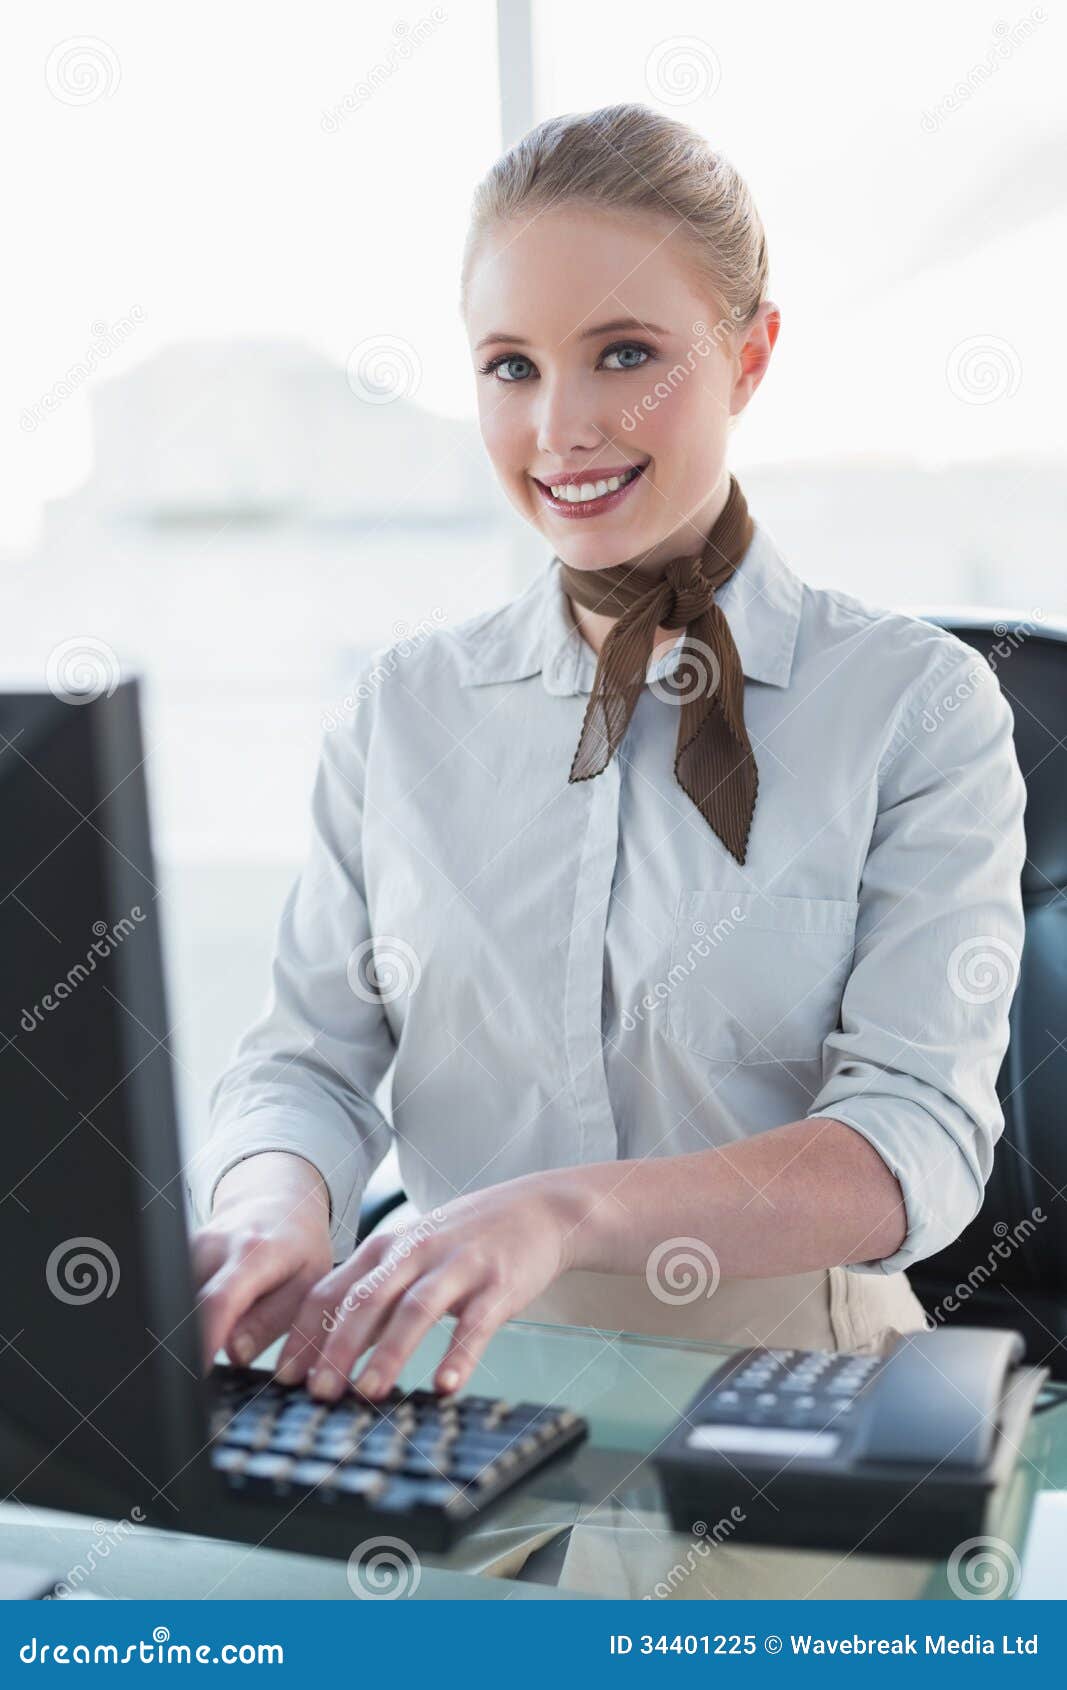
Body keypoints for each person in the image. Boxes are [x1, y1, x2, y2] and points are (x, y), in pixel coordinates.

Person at [186, 104, 1028, 1595]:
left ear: (751, 355)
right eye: (511, 366)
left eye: (625, 354)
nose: (559, 427)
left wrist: (565, 1207)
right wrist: (268, 1210)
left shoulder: (913, 706)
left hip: (792, 1419)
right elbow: (308, 1058)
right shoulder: (403, 708)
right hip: (443, 1397)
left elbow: (919, 1141)